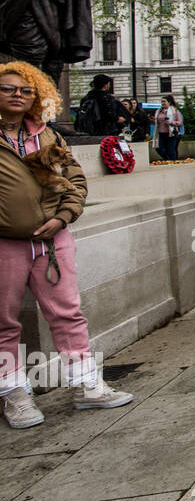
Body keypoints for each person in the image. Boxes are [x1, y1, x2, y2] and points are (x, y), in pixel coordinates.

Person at [1, 62, 132, 429]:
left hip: (53, 242)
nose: (18, 95)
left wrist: (62, 218)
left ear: (36, 96)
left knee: (68, 314)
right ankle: (15, 395)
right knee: (3, 323)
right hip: (6, 243)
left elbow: (75, 179)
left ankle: (87, 384)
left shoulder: (48, 136)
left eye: (25, 90)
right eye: (8, 88)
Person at [154, 94, 181, 160]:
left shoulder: (175, 111)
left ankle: (173, 163)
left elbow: (180, 122)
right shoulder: (158, 111)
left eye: (164, 101)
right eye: (161, 102)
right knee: (158, 148)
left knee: (171, 150)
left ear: (169, 102)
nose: (162, 103)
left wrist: (171, 122)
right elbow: (157, 122)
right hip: (161, 133)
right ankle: (167, 159)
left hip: (171, 133)